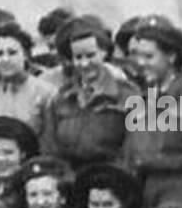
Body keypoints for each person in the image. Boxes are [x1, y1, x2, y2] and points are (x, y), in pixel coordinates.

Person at [118, 14, 182, 208]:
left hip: (181, 195)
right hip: (145, 193)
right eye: (137, 56)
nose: (140, 63)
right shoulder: (140, 100)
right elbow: (130, 155)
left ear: (171, 56)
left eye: (149, 56)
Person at [42, 15, 131, 167]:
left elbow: (132, 150)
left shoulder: (127, 95)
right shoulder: (62, 98)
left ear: (103, 52)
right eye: (78, 57)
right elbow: (50, 148)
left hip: (113, 178)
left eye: (91, 55)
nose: (84, 64)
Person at [0, 22, 56, 176]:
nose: (5, 59)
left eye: (12, 53)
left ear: (25, 54)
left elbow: (50, 147)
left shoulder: (46, 94)